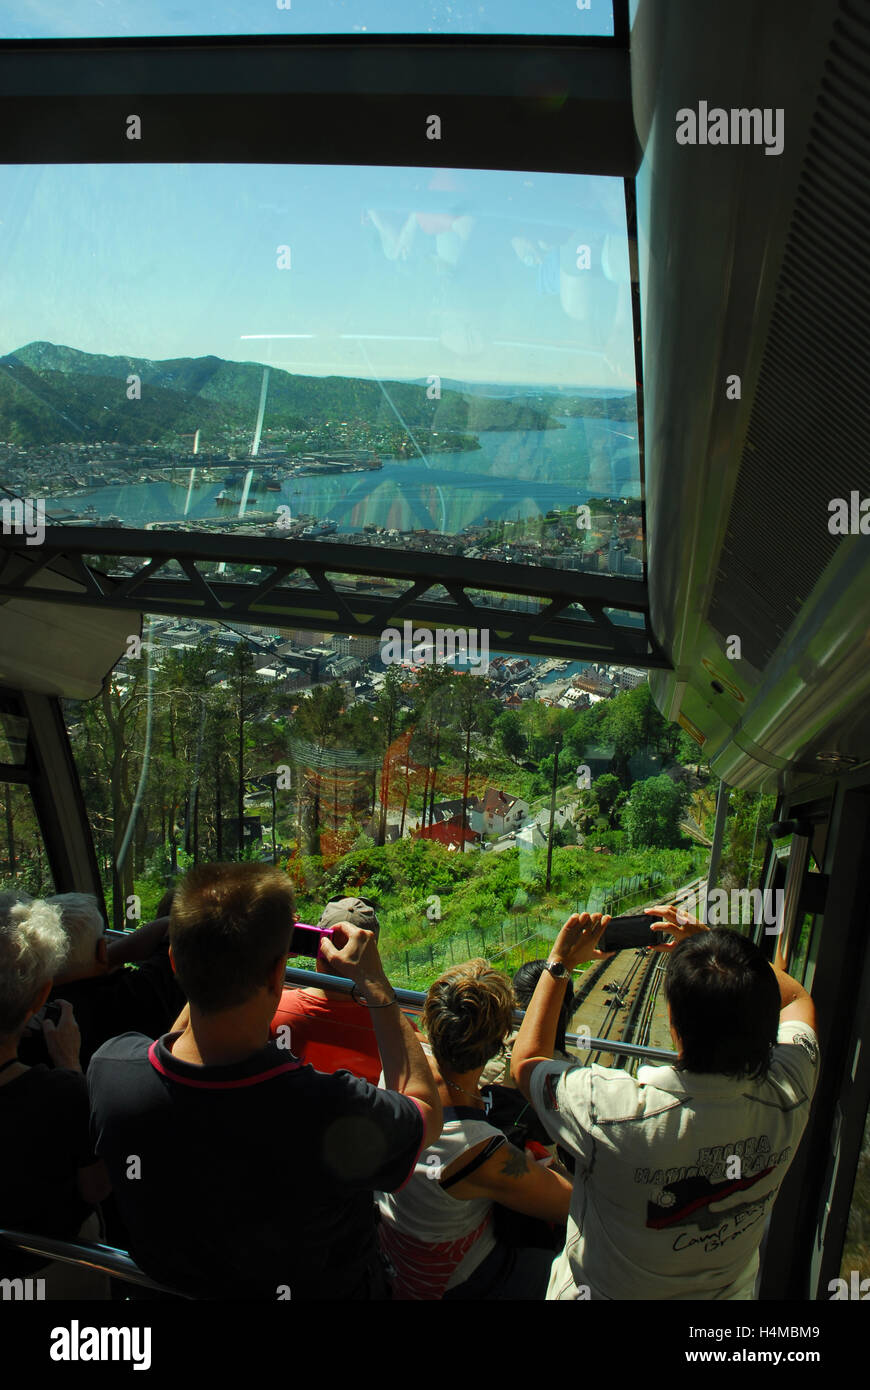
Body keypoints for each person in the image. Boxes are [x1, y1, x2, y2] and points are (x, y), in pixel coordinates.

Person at [88, 862, 441, 1300]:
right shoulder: (328, 1108)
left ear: (175, 961)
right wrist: (375, 983)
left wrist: (194, 933)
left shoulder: (111, 1069)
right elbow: (424, 1110)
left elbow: (179, 1039)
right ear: (280, 973)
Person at [511, 906, 820, 1300]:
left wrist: (559, 964)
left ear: (673, 1022)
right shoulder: (790, 1090)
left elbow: (527, 1063)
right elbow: (796, 999)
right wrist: (711, 945)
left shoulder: (610, 1110)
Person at [377, 959, 571, 1300]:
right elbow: (569, 1203)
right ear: (501, 1043)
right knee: (567, 1268)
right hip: (447, 1278)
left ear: (429, 1019)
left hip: (391, 1244)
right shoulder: (478, 1151)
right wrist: (550, 1166)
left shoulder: (400, 1063)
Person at [0, 896, 110, 1297]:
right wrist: (70, 1064)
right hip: (48, 1270)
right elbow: (97, 1187)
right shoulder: (61, 1093)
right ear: (40, 995)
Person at [18, 892, 184, 1071]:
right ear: (102, 949)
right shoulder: (135, 996)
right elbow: (176, 926)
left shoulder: (25, 1017)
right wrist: (105, 958)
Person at [270, 896, 388, 1083]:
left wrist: (272, 957)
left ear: (317, 940)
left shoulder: (271, 1010)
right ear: (372, 953)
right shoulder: (392, 1026)